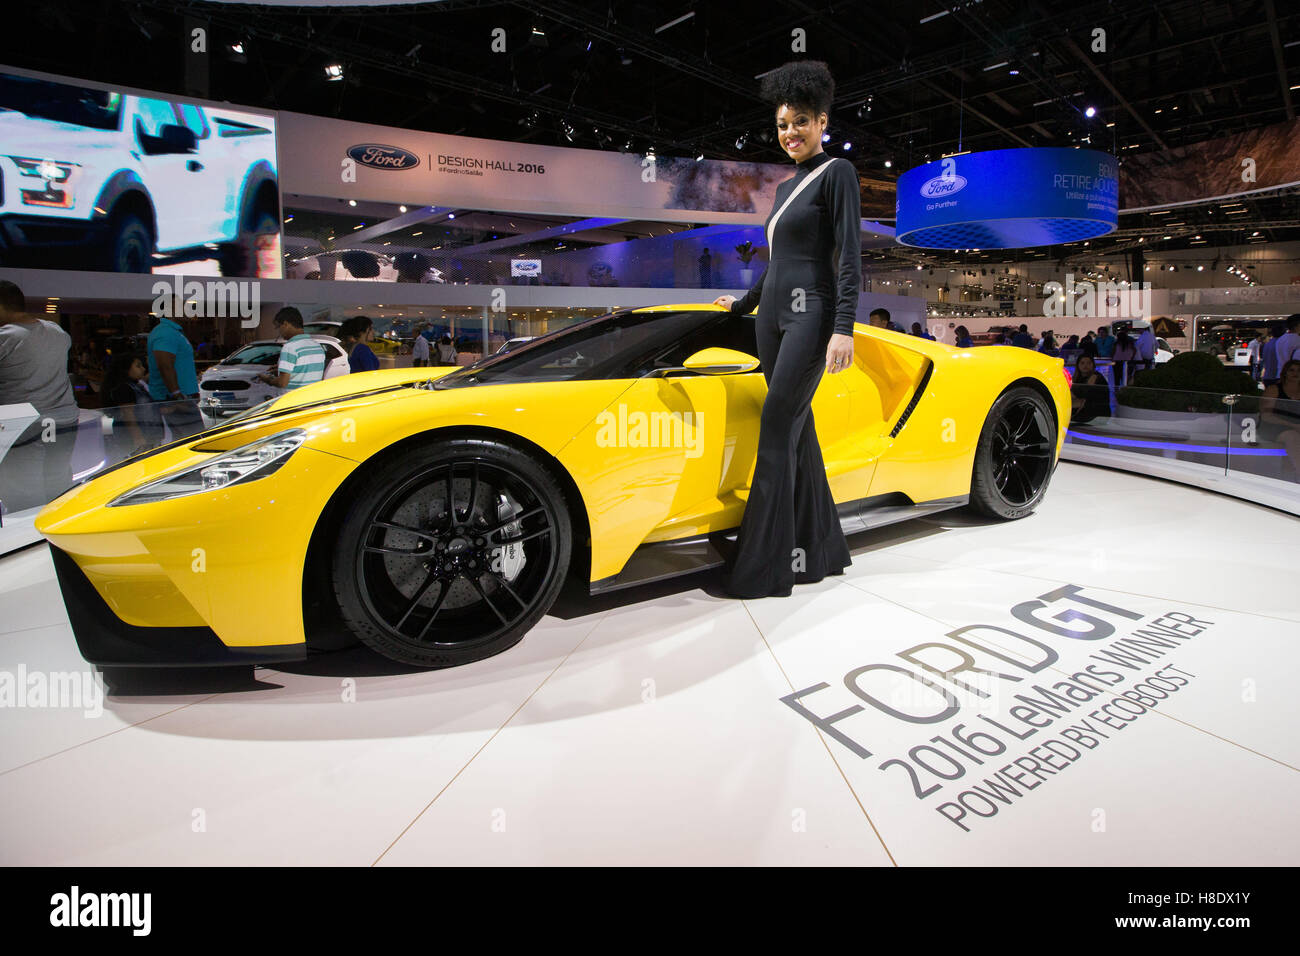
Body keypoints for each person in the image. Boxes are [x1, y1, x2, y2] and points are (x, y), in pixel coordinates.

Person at [710, 59, 858, 599]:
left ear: (821, 122)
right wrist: (743, 304)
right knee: (799, 431)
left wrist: (843, 327)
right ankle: (817, 551)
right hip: (770, 318)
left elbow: (849, 256)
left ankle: (763, 568)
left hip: (811, 316)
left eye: (799, 122)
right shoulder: (783, 189)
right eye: (782, 125)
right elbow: (777, 264)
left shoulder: (838, 173)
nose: (790, 133)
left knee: (775, 427)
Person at [0, 280, 80, 514]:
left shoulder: (6, 337)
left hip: (23, 424)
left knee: (22, 493)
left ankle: (29, 533)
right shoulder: (57, 331)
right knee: (58, 484)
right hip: (64, 421)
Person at [101, 352, 160, 456]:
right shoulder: (124, 388)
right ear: (125, 369)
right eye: (138, 366)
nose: (143, 369)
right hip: (136, 438)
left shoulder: (136, 386)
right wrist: (138, 438)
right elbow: (128, 415)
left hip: (147, 434)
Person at [259, 307, 326, 390]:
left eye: (278, 327)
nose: (279, 332)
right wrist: (281, 369)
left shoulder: (289, 347)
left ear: (285, 324)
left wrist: (267, 379)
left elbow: (282, 383)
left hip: (292, 397)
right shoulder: (317, 346)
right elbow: (305, 372)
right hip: (311, 396)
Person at [1069, 353, 1111, 424]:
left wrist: (1076, 398)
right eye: (1082, 363)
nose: (1085, 366)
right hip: (1084, 410)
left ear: (1093, 365)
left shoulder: (1096, 376)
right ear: (1078, 365)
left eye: (1089, 363)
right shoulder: (1076, 378)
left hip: (1097, 413)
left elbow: (1085, 393)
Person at [1260, 320, 1286, 387]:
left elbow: (1264, 359)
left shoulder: (1267, 344)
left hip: (1267, 375)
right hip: (1277, 377)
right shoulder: (1281, 344)